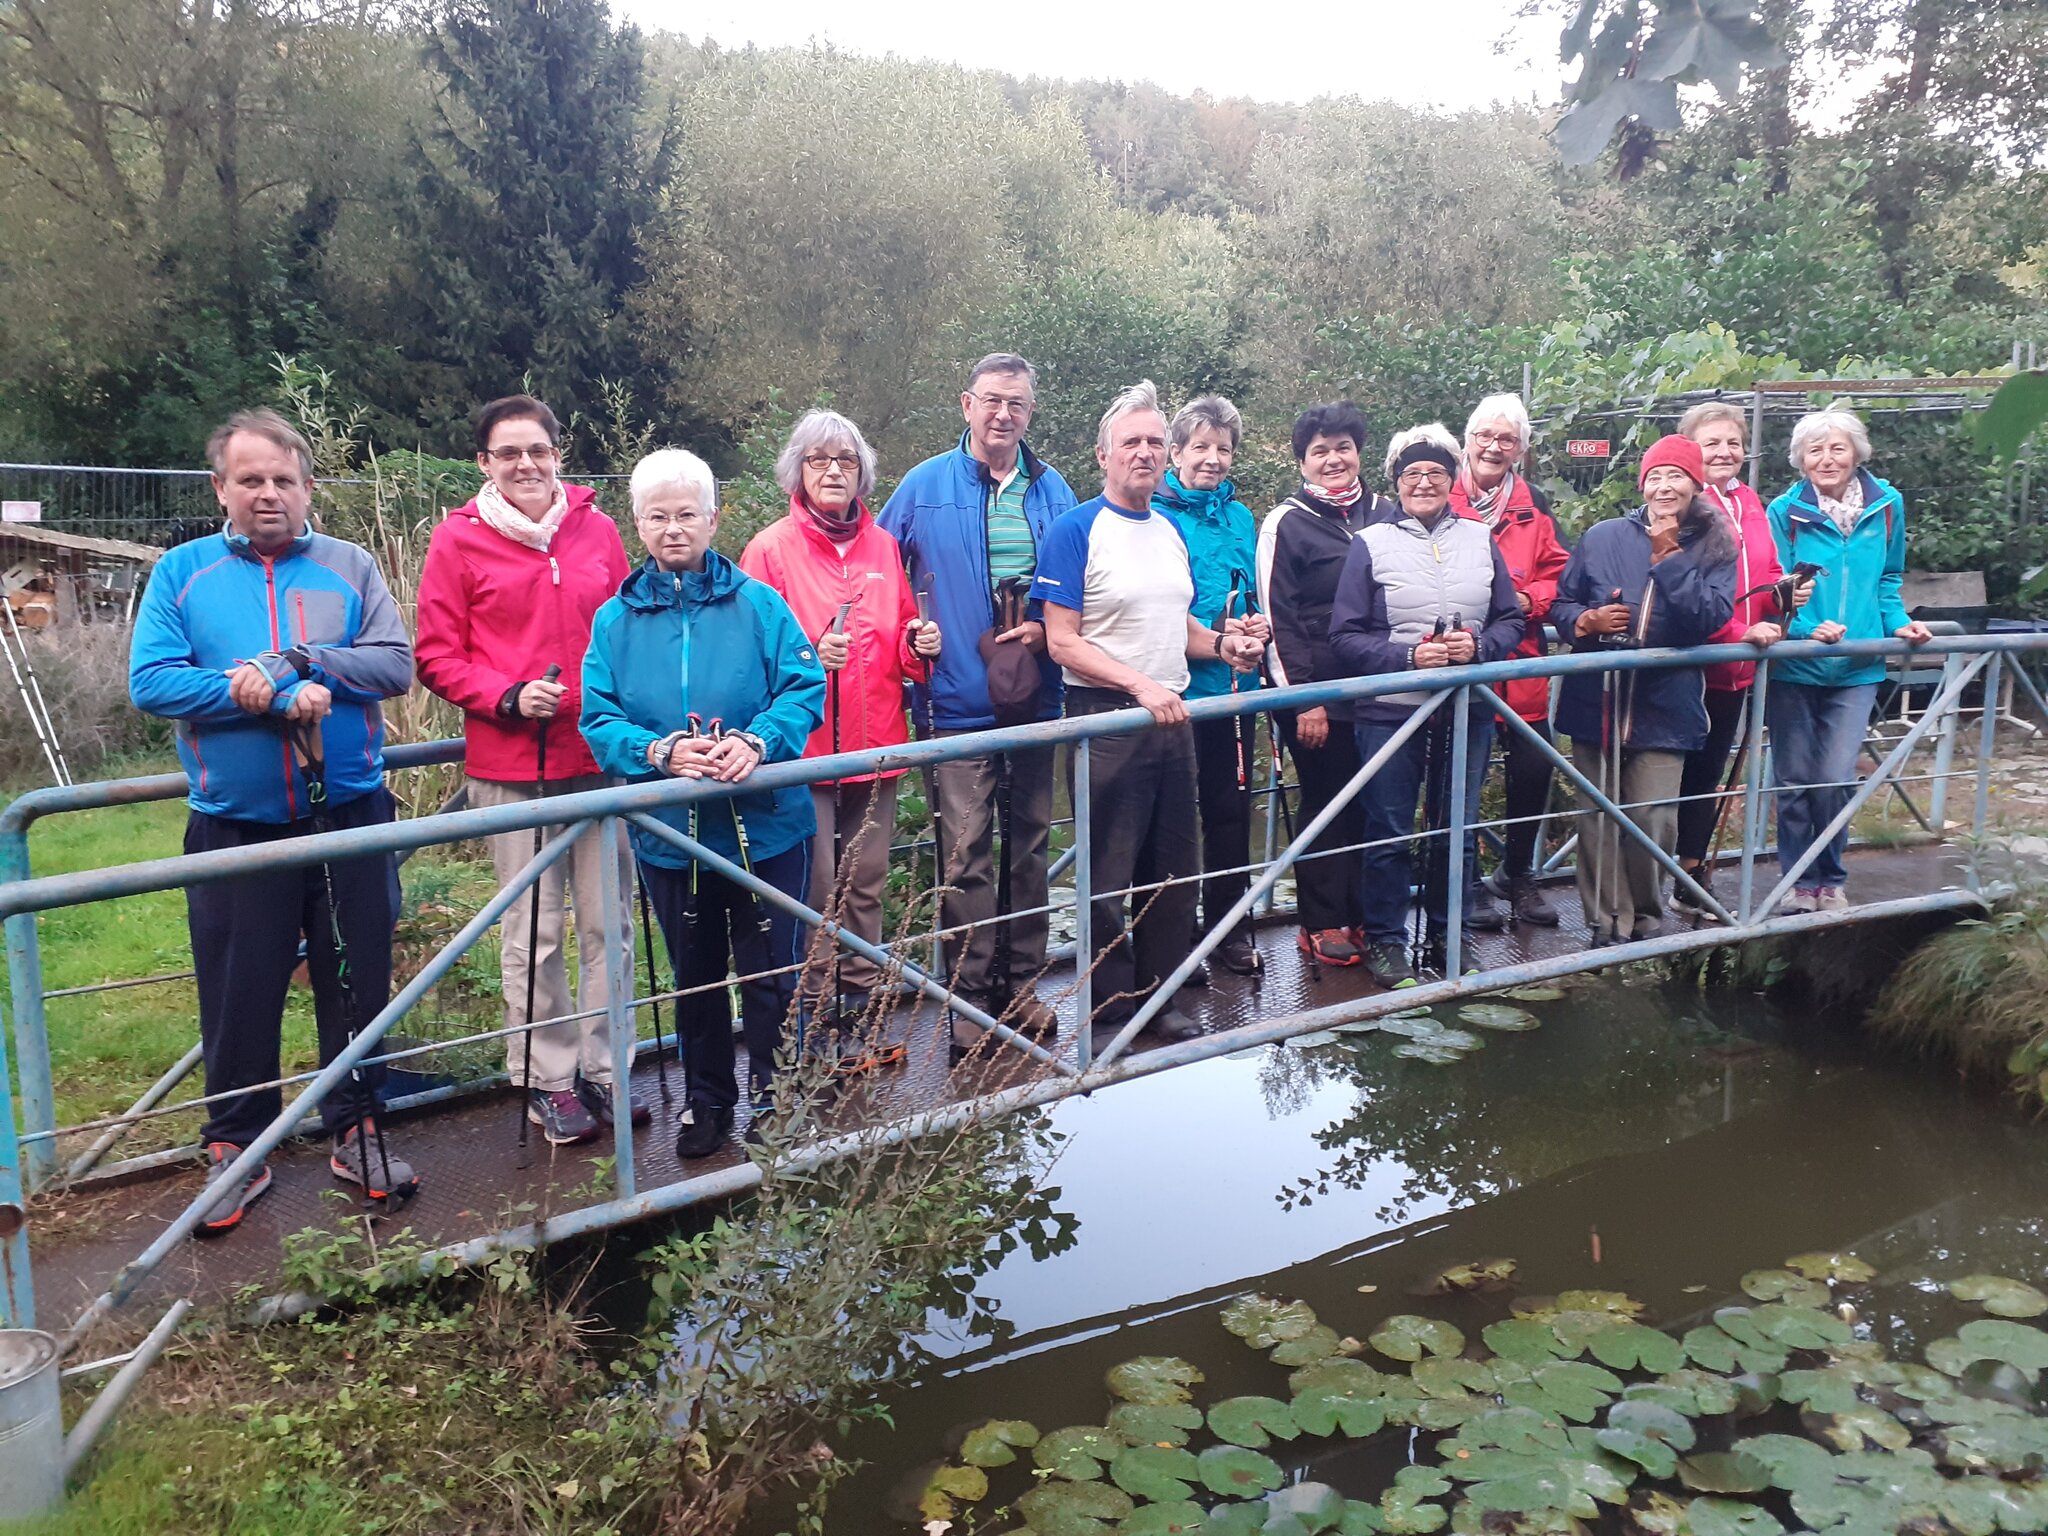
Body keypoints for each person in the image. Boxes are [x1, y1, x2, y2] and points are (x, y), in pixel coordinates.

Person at [129, 408, 417, 1236]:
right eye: (249, 479)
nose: (268, 494)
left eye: (283, 480)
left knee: (356, 978)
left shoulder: (348, 566)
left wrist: (301, 661)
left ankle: (357, 1126)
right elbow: (152, 682)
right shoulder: (182, 574)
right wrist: (255, 691)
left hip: (350, 812)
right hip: (236, 823)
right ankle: (235, 1146)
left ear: (308, 488)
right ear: (220, 487)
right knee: (237, 988)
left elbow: (394, 663)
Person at [581, 449, 827, 1160]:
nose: (674, 528)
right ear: (637, 524)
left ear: (713, 518)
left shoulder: (758, 604)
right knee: (695, 977)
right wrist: (659, 753)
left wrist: (758, 741)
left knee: (771, 971)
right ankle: (707, 1101)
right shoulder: (614, 623)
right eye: (658, 516)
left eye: (687, 513)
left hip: (768, 828)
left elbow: (802, 688)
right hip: (672, 835)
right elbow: (599, 718)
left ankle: (780, 1095)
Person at [415, 394, 641, 1147]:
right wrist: (507, 695)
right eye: (507, 452)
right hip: (514, 764)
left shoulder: (598, 529)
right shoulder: (458, 541)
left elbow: (627, 625)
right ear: (484, 462)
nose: (524, 464)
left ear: (557, 453)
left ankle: (608, 1070)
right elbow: (435, 656)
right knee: (536, 931)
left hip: (597, 756)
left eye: (536, 450)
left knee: (610, 925)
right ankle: (548, 1078)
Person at [1035, 381, 1264, 1036]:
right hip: (1106, 717)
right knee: (1107, 870)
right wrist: (1140, 686)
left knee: (1174, 867)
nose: (1143, 452)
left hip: (1172, 715)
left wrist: (1225, 645)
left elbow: (1180, 627)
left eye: (1153, 443)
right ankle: (1110, 1005)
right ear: (1104, 455)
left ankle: (1161, 998)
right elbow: (1062, 640)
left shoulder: (1167, 531)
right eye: (1130, 442)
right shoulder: (1076, 529)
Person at [879, 355, 1074, 1034]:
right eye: (992, 401)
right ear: (966, 404)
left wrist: (1050, 629)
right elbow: (879, 576)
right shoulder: (923, 486)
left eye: (1017, 404)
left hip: (1037, 699)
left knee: (1029, 848)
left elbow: (1082, 584)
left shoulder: (1053, 492)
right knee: (964, 856)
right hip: (954, 700)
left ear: (1030, 412)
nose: (1003, 415)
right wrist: (910, 633)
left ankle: (1020, 987)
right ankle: (966, 1001)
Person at [739, 410, 941, 1049]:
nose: (833, 471)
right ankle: (813, 1014)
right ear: (797, 471)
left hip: (877, 740)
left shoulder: (883, 545)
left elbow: (903, 646)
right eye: (819, 460)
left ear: (863, 474)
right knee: (814, 890)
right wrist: (806, 653)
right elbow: (747, 660)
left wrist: (922, 645)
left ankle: (861, 1006)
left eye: (846, 461)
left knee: (867, 884)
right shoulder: (769, 550)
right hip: (805, 749)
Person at [1328, 425, 1524, 986]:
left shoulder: (1479, 537)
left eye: (1436, 473)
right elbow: (1344, 637)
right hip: (1391, 709)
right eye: (1412, 474)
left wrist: (1480, 647)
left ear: (1451, 480)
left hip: (1465, 707)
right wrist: (1408, 656)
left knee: (1458, 827)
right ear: (1396, 483)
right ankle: (1388, 942)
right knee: (1389, 827)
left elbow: (1511, 619)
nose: (1424, 482)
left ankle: (1447, 933)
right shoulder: (1370, 543)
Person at [1550, 436, 1737, 944]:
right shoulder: (1604, 536)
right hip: (1597, 699)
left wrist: (1670, 557)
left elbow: (1711, 618)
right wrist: (1585, 621)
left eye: (1676, 475)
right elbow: (1561, 605)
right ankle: (1605, 924)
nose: (1664, 485)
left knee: (1653, 819)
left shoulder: (1717, 544)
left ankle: (1647, 922)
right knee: (1596, 819)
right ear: (1642, 485)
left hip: (1666, 703)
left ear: (1695, 485)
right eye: (1655, 476)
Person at [1766, 406, 1934, 912]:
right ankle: (1800, 881)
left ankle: (1831, 878)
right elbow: (1778, 585)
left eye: (1837, 447)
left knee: (1836, 777)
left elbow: (1887, 578)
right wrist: (1804, 626)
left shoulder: (1886, 506)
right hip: (1796, 662)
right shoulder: (1784, 510)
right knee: (1794, 781)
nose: (1827, 458)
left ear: (1856, 453)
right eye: (1814, 450)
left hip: (1857, 665)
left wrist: (1897, 622)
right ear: (1800, 459)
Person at [1256, 401, 1397, 968]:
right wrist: (1304, 698)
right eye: (1320, 452)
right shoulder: (1284, 522)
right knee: (1326, 802)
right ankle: (1321, 921)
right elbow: (1277, 617)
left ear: (1359, 452)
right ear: (1302, 463)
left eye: (1342, 447)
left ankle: (1366, 913)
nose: (1333, 459)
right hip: (1317, 690)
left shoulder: (1388, 512)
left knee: (1377, 803)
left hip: (1383, 685)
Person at [1152, 394, 1272, 976]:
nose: (1212, 458)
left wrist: (1254, 623)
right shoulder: (1153, 514)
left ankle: (1229, 930)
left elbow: (1248, 593)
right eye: (1199, 446)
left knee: (1230, 813)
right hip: (1171, 693)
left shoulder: (1242, 517)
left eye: (1222, 448)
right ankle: (1171, 944)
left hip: (1231, 690)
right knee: (1171, 823)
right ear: (1176, 452)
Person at [1670, 401, 1804, 914]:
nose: (1724, 452)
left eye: (1733, 442)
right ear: (1690, 450)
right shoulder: (1685, 501)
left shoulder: (1750, 501)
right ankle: (1650, 882)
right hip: (1697, 658)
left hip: (1740, 665)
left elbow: (1766, 570)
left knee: (1709, 774)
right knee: (1676, 774)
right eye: (1712, 443)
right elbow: (1688, 588)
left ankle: (1690, 874)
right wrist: (1736, 630)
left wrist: (1786, 594)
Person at [1448, 393, 1571, 928]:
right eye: (1485, 436)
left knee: (1532, 768)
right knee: (1462, 775)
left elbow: (1562, 573)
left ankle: (1518, 875)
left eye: (1507, 440)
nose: (1494, 447)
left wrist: (1529, 599)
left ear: (1519, 449)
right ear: (1467, 440)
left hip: (1521, 658)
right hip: (1460, 662)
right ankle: (1465, 880)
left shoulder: (1533, 503)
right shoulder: (1438, 491)